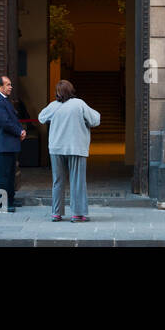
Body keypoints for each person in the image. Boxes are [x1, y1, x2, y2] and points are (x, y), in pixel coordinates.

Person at [37, 79, 101, 222]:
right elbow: (95, 120)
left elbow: (41, 118)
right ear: (71, 90)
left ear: (57, 92)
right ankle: (77, 214)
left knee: (58, 181)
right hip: (76, 147)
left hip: (56, 148)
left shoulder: (53, 106)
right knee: (77, 181)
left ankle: (56, 213)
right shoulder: (79, 104)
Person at [0, 74, 26, 212]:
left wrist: (21, 130)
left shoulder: (3, 100)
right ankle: (2, 204)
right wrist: (19, 132)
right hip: (3, 145)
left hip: (9, 144)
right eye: (8, 84)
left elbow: (12, 119)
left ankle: (10, 200)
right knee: (3, 176)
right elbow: (4, 122)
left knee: (10, 175)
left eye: (10, 84)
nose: (11, 87)